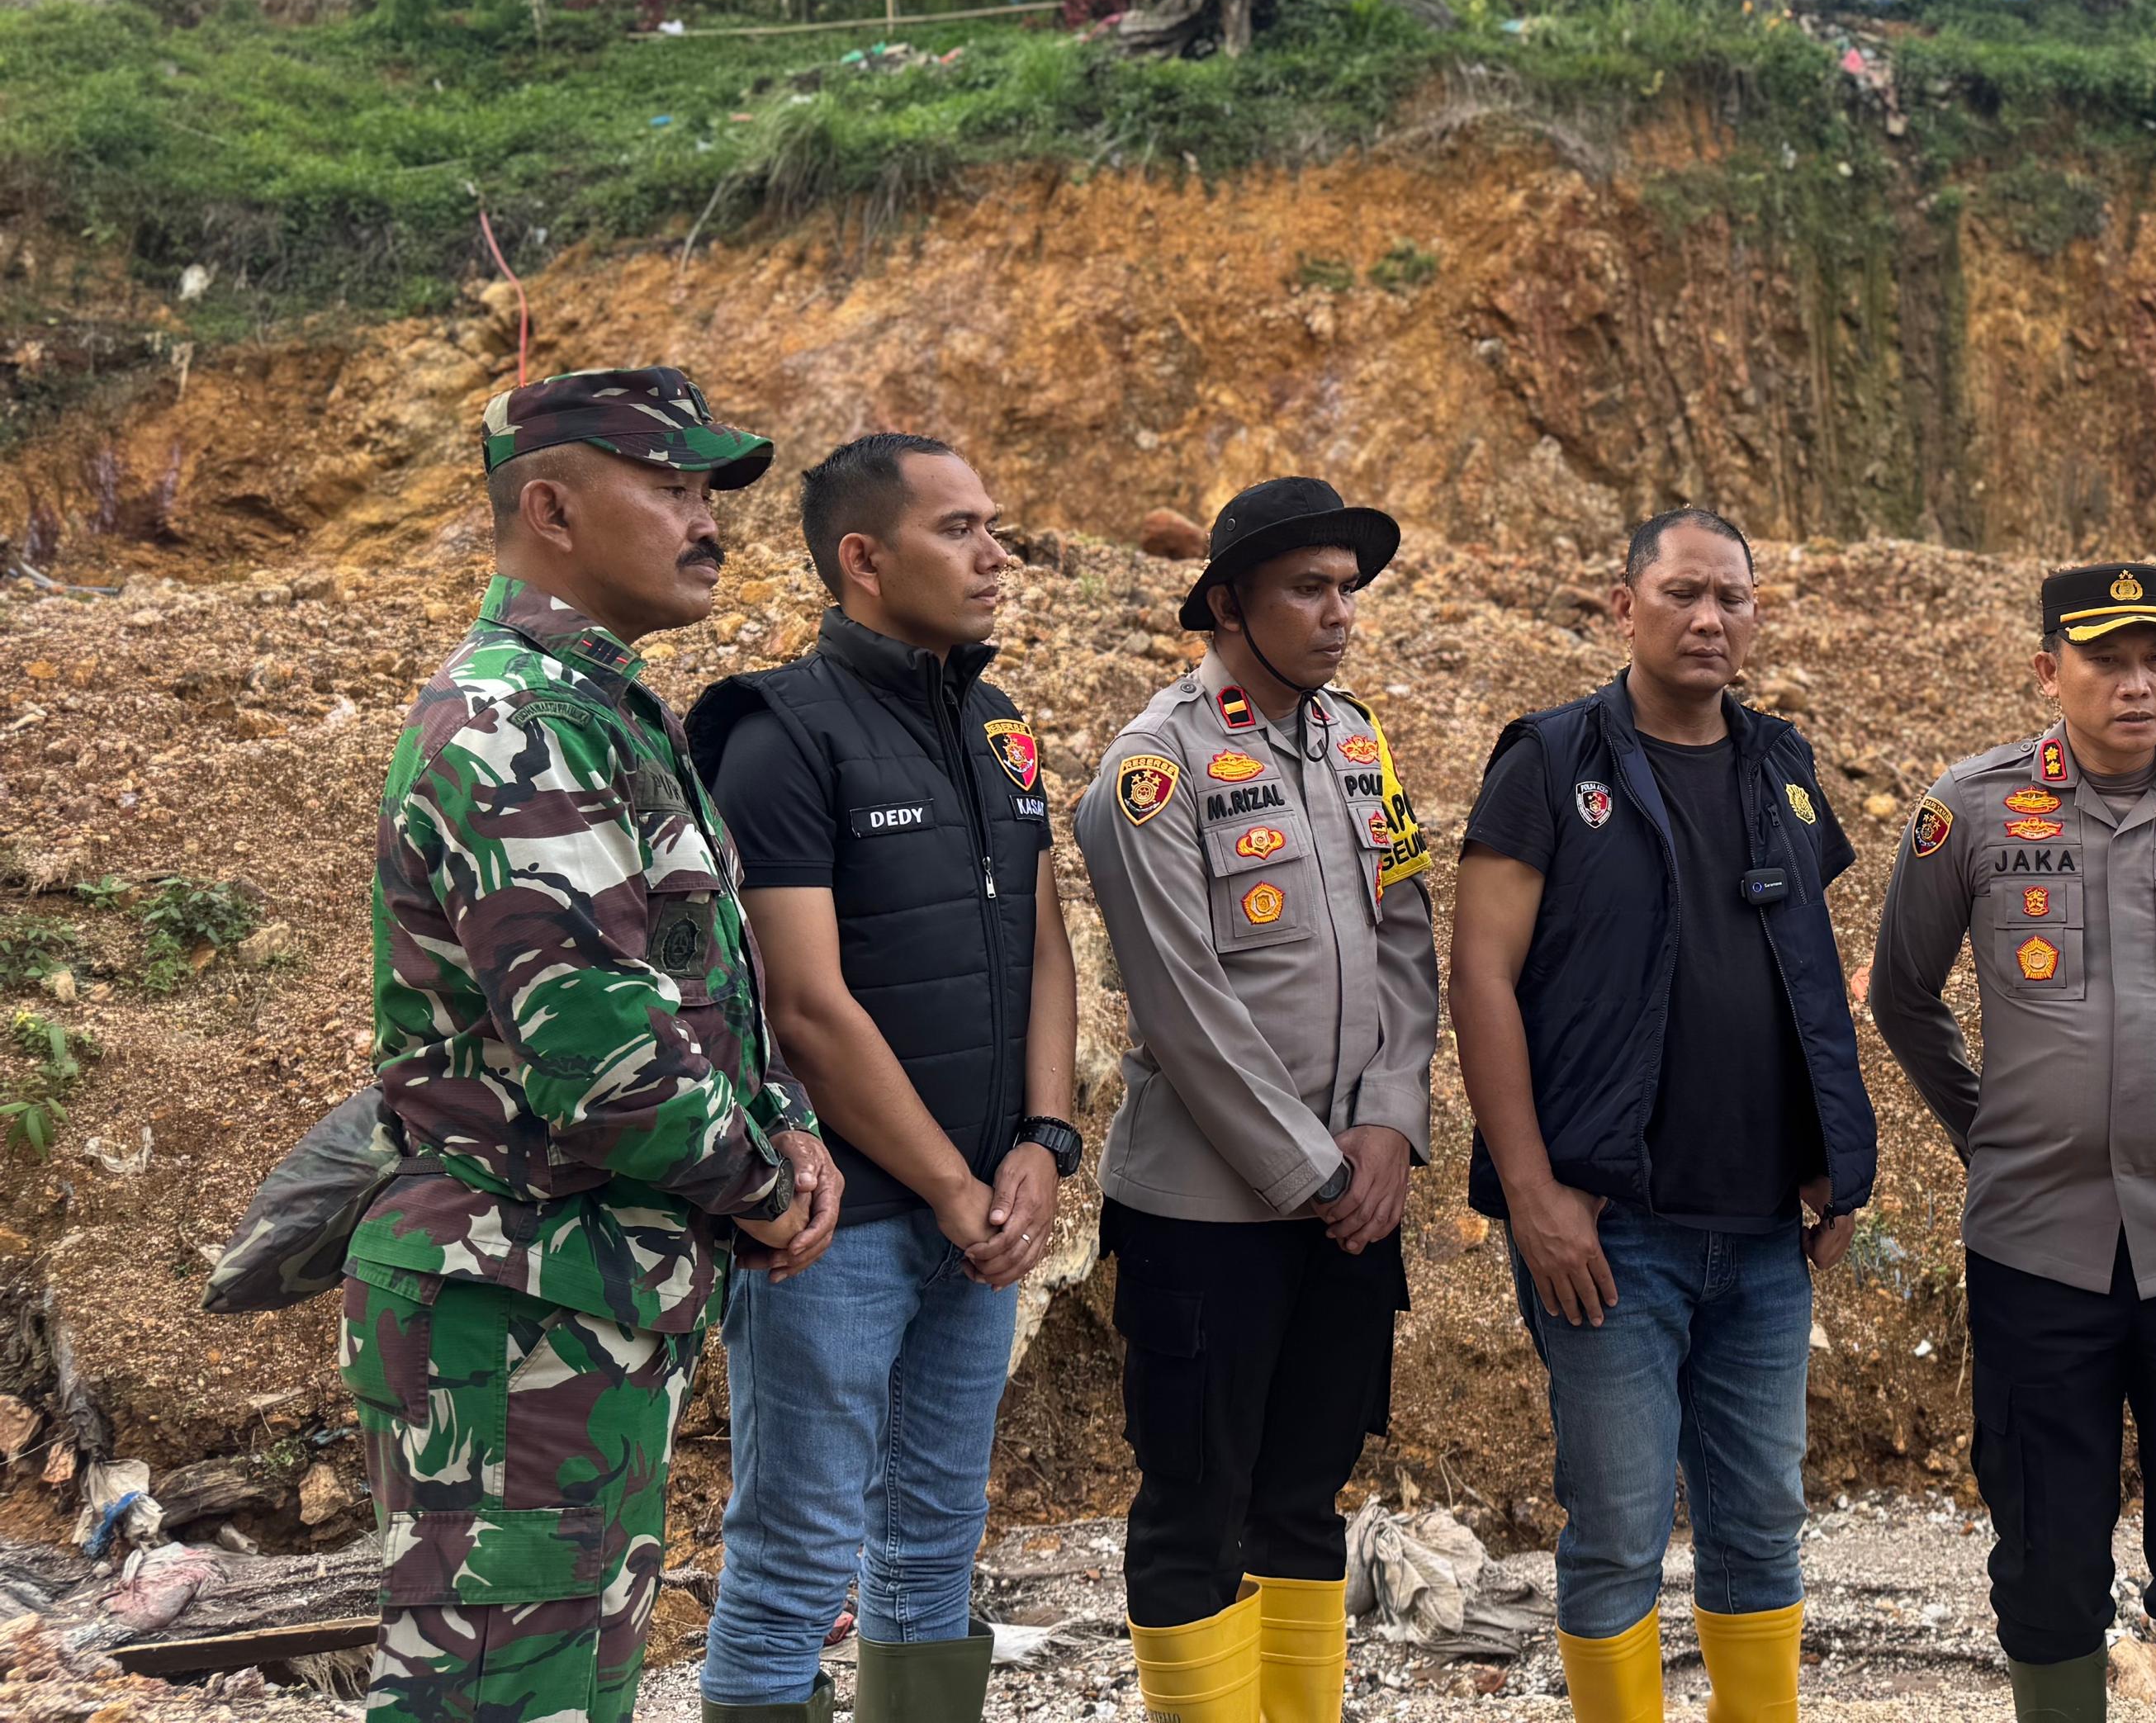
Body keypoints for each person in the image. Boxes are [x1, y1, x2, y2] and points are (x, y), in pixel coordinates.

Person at [346, 367, 843, 1723]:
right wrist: (769, 1181)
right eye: (671, 487)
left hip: (579, 1300)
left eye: (708, 492)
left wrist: (785, 1115)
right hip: (513, 1311)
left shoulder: (603, 706)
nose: (706, 519)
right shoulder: (514, 722)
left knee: (568, 1692)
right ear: (552, 508)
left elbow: (696, 983)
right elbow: (607, 1066)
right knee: (507, 1703)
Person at [1870, 561, 2156, 1723]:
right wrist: (1994, 1133)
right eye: (2105, 660)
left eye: (2155, 657)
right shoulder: (1967, 809)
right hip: (2037, 1247)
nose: (2136, 683)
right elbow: (1902, 994)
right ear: (2048, 671)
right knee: (2044, 1550)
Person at [1452, 505, 1880, 1723]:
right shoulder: (1547, 762)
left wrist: (1834, 1159)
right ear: (1622, 605)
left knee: (1760, 1532)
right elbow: (1478, 977)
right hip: (1610, 1236)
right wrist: (1531, 1194)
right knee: (1618, 1534)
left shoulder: (1781, 765)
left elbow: (1809, 974)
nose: (1710, 618)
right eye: (1684, 593)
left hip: (1761, 1238)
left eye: (1732, 597)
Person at [689, 436, 1083, 1723]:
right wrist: (955, 1186)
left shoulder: (999, 725)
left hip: (975, 1215)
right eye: (960, 529)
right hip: (835, 1226)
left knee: (931, 1551)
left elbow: (1042, 939)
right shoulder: (776, 732)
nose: (997, 555)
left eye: (996, 525)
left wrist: (1043, 1140)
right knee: (797, 1555)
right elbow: (805, 1006)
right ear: (863, 558)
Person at [1073, 477, 1438, 1723]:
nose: (1340, 613)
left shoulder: (1358, 742)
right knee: (1195, 1508)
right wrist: (1321, 1172)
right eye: (1308, 588)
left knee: (1303, 1503)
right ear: (1228, 600)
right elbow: (1183, 1010)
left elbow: (1406, 944)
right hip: (1207, 1217)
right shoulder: (1153, 767)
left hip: (1356, 1196)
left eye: (1348, 589)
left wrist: (1390, 1124)